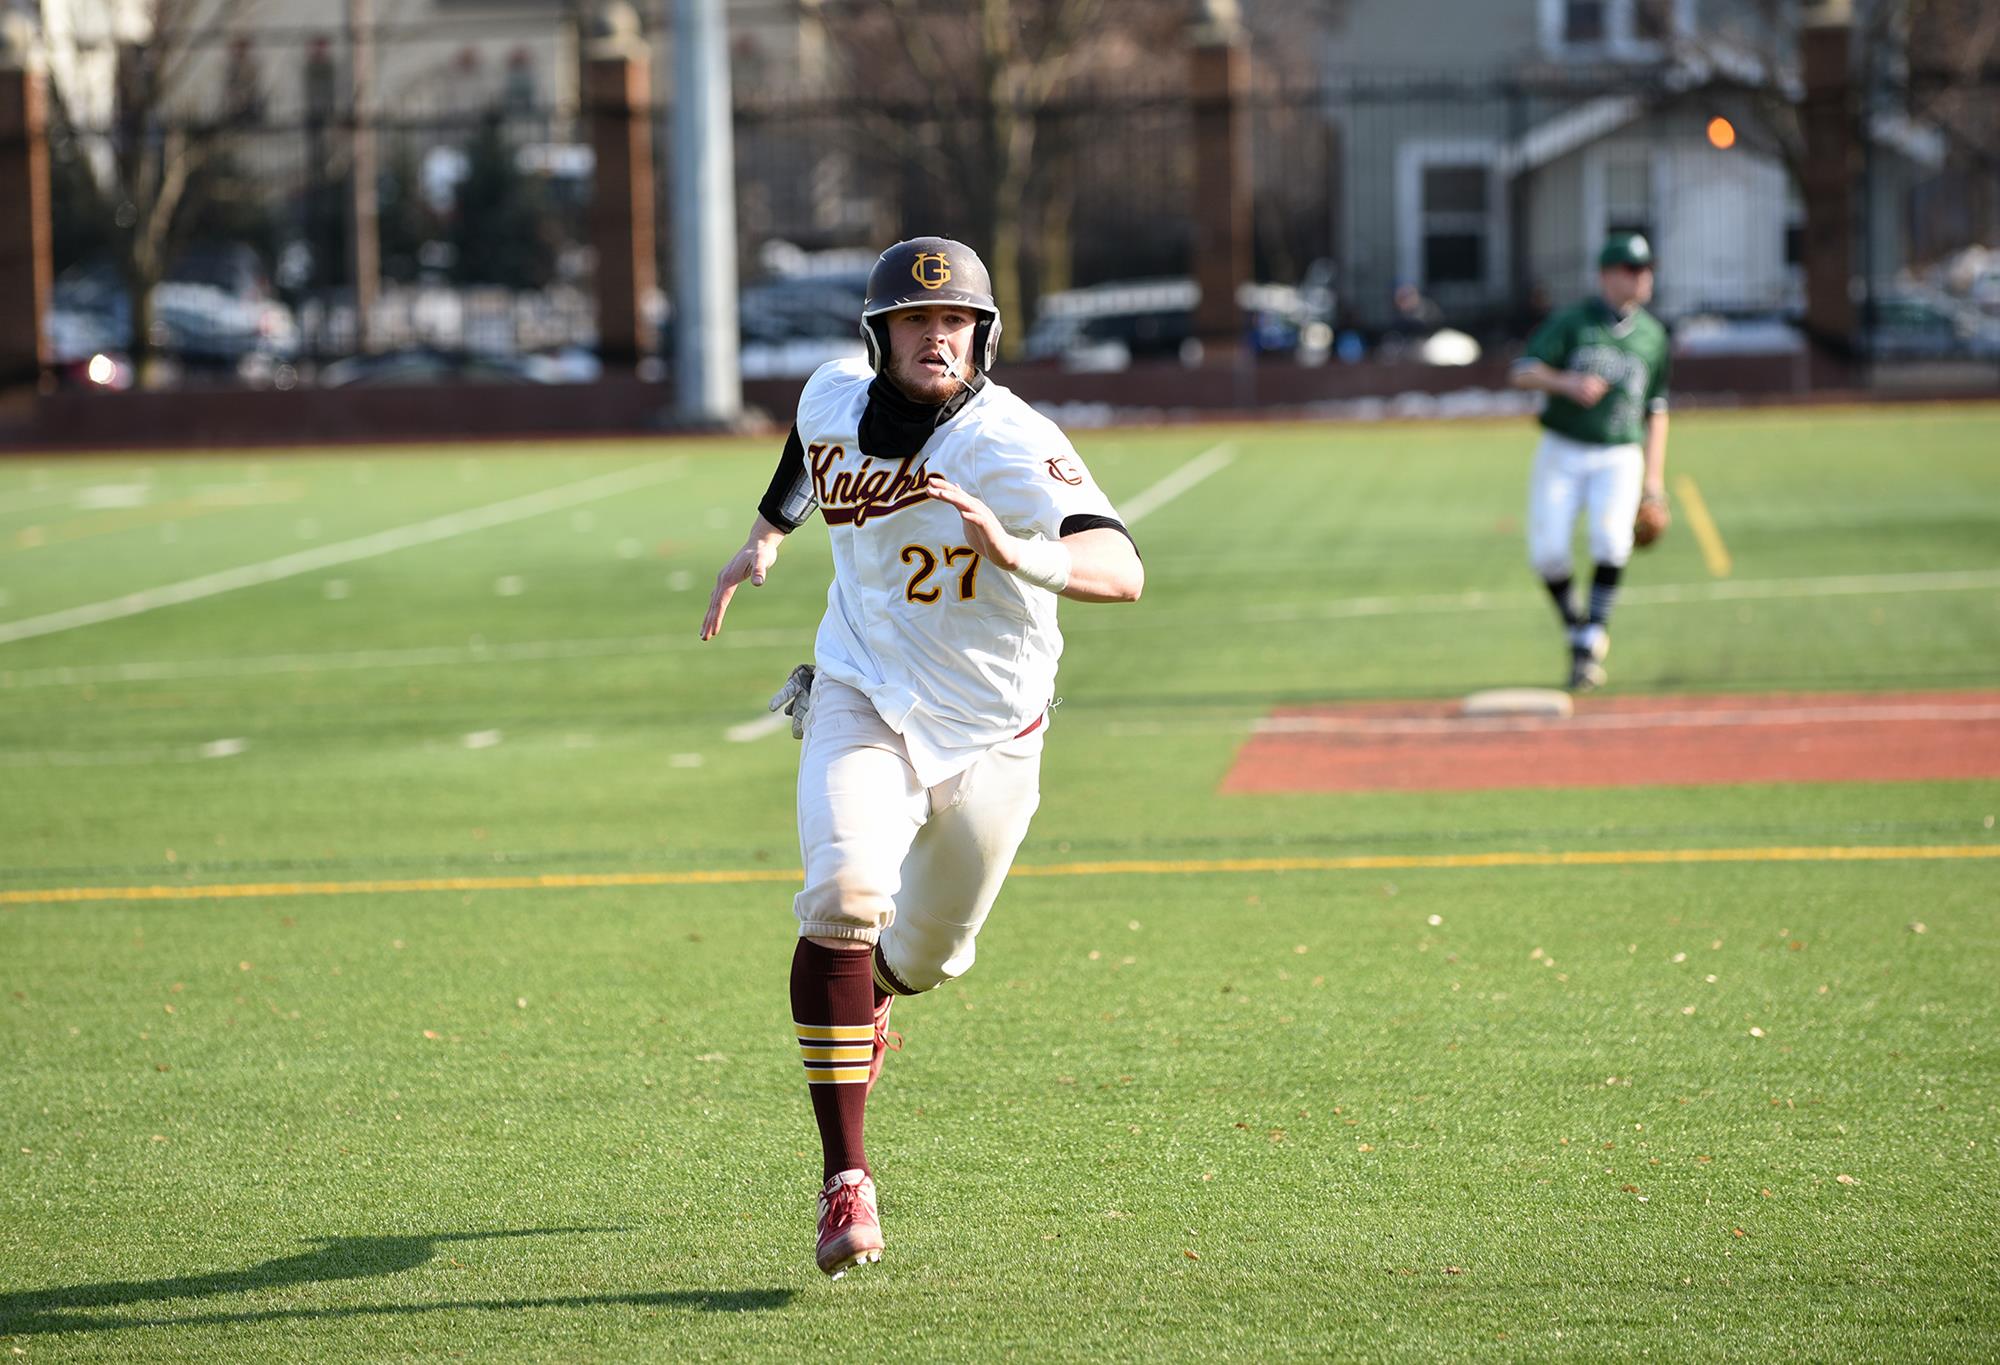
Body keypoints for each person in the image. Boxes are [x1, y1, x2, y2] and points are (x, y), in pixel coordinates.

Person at [699, 236, 1144, 1278]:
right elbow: (809, 456)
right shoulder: (829, 393)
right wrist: (767, 534)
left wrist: (1018, 551)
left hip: (993, 728)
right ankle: (844, 1180)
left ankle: (878, 1006)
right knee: (845, 895)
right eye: (913, 321)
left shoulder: (1007, 439)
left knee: (927, 960)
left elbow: (1118, 565)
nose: (934, 337)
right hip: (861, 692)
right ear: (877, 337)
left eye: (954, 323)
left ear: (981, 336)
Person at [1508, 230, 1672, 691]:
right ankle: (1577, 626)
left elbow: (1656, 412)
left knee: (1610, 542)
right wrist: (1566, 383)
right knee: (1548, 553)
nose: (1644, 278)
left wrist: (1654, 482)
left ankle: (1588, 641)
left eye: (1647, 269)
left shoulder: (1653, 336)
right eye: (1632, 269)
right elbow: (1521, 372)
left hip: (1620, 453)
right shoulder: (1574, 322)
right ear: (1606, 275)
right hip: (1563, 447)